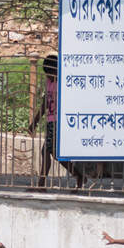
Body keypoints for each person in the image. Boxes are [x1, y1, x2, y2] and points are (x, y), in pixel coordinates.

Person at [27, 53, 83, 190]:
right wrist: (35, 121)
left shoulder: (64, 83)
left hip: (60, 122)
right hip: (51, 121)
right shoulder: (50, 82)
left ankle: (43, 184)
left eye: (50, 74)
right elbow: (46, 102)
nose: (48, 77)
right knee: (49, 152)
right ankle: (78, 175)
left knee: (51, 152)